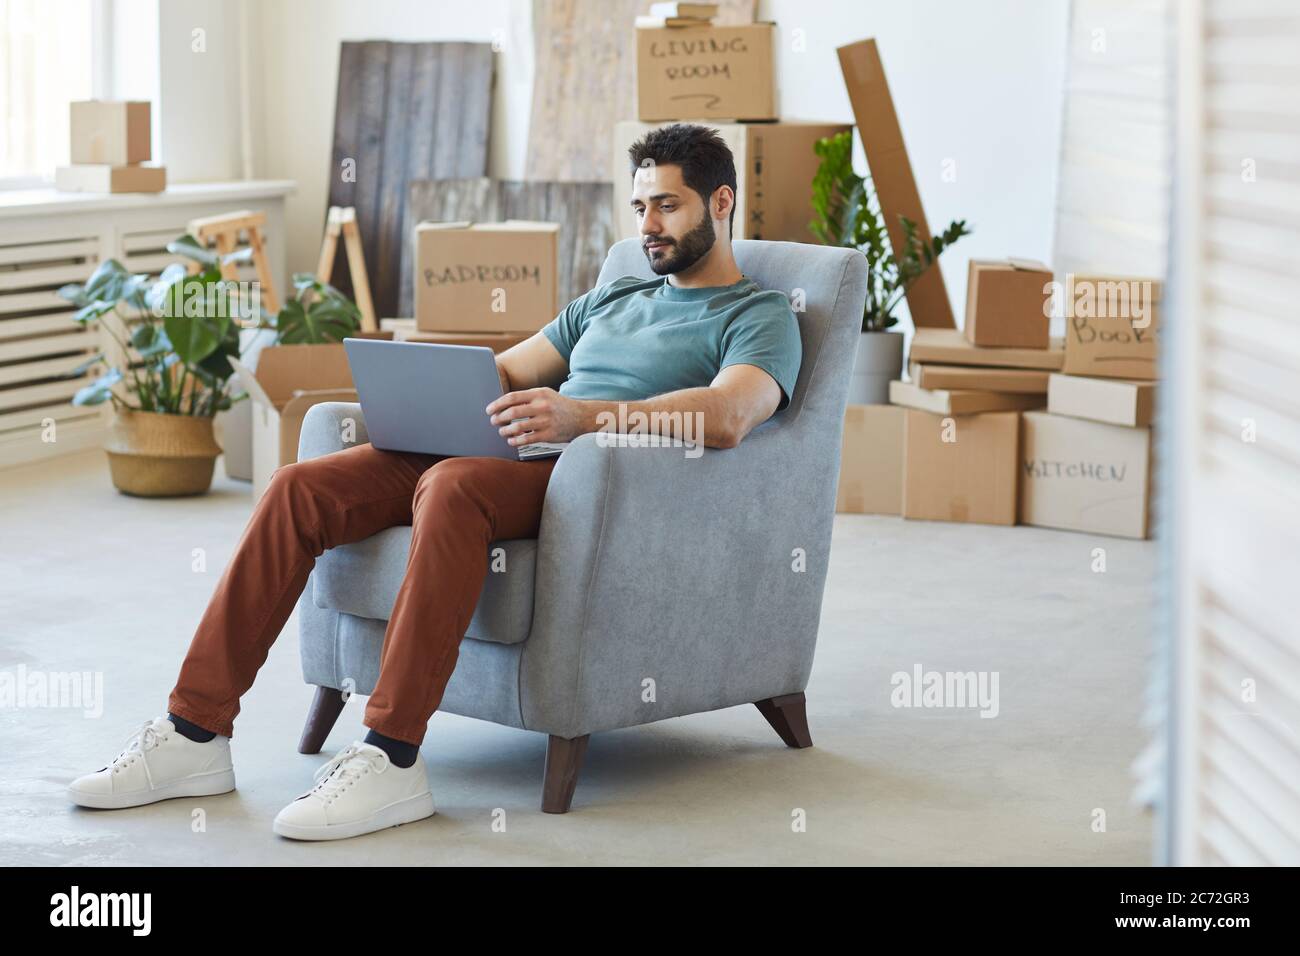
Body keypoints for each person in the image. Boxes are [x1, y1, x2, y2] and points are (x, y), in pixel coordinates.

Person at [67, 123, 803, 841]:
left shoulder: (758, 314)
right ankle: (193, 733)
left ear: (721, 203)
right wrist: (426, 392)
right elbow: (508, 374)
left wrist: (581, 417)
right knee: (301, 487)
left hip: (582, 480)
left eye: (667, 205)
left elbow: (732, 415)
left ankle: (392, 758)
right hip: (507, 451)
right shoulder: (610, 298)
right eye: (640, 207)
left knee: (452, 485)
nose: (649, 225)